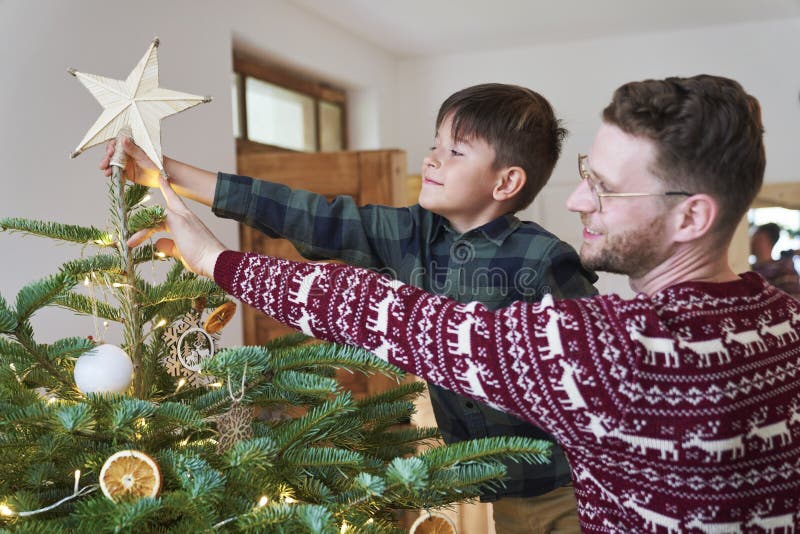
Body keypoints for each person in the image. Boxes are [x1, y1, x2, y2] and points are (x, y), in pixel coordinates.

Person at [138, 73, 800, 531]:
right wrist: (175, 177)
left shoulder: (602, 347)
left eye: (603, 189)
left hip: (544, 485)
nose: (575, 202)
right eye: (583, 179)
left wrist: (213, 260)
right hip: (480, 480)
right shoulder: (785, 321)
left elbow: (389, 315)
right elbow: (319, 220)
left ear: (691, 218)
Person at [106, 84, 598, 533]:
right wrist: (166, 173)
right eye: (434, 144)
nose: (431, 160)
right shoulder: (413, 233)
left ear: (506, 182)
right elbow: (313, 218)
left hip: (568, 488)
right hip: (500, 488)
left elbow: (593, 376)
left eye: (455, 151)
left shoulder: (543, 260)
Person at [750, 222, 800, 299]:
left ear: (762, 238)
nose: (750, 240)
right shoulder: (750, 269)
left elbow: (793, 303)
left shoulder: (785, 270)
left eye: (753, 236)